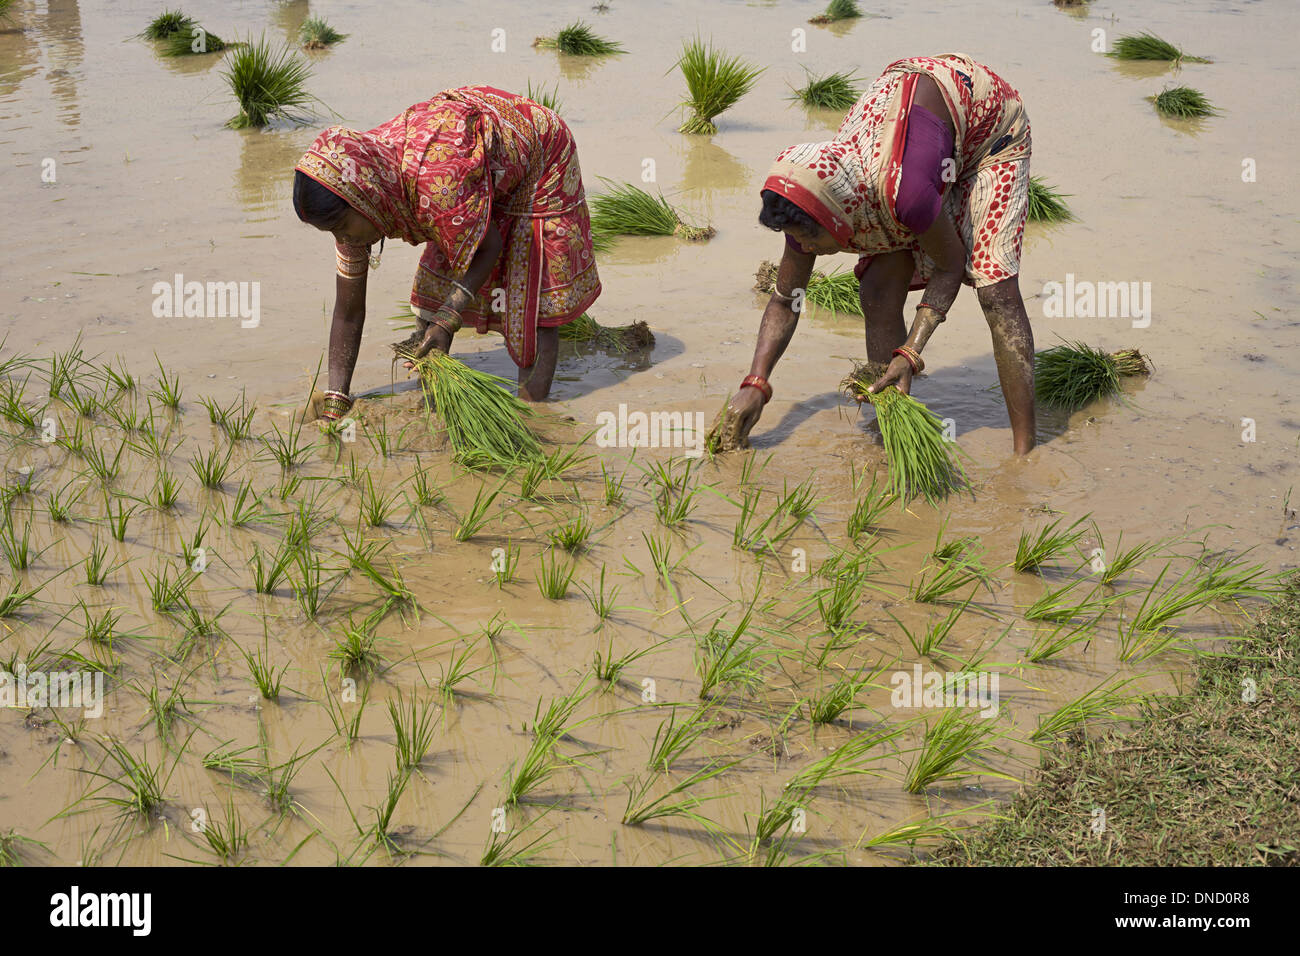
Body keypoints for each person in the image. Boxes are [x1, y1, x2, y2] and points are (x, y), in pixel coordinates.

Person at [709, 54, 1037, 455]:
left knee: (995, 292)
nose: (805, 250)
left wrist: (911, 352)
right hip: (912, 144)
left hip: (988, 132)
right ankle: (894, 428)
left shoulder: (906, 196)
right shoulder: (811, 195)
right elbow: (785, 299)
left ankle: (1026, 450)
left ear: (838, 217)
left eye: (811, 241)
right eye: (799, 241)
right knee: (878, 290)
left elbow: (950, 267)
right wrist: (756, 383)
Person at [292, 86, 601, 420]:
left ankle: (533, 412)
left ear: (363, 197)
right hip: (470, 172)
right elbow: (348, 313)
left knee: (530, 298)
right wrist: (336, 400)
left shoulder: (434, 183)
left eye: (342, 227)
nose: (343, 238)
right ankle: (437, 401)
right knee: (431, 293)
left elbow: (489, 246)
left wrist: (448, 319)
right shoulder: (357, 190)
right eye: (333, 232)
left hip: (540, 157)